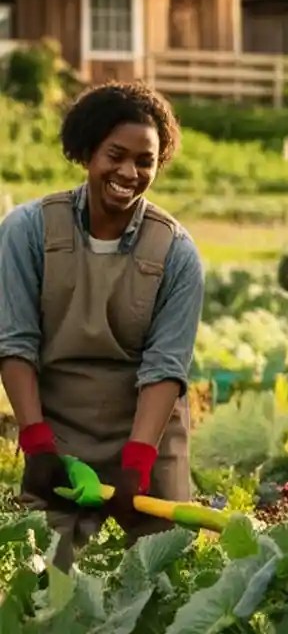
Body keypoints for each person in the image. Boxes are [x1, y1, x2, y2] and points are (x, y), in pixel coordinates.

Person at [0, 81, 205, 569]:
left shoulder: (176, 253)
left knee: (162, 577)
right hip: (57, 432)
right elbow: (14, 344)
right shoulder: (28, 232)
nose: (129, 172)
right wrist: (37, 445)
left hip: (146, 436)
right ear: (88, 150)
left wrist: (137, 463)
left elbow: (165, 368)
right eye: (116, 154)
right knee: (48, 579)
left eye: (145, 161)